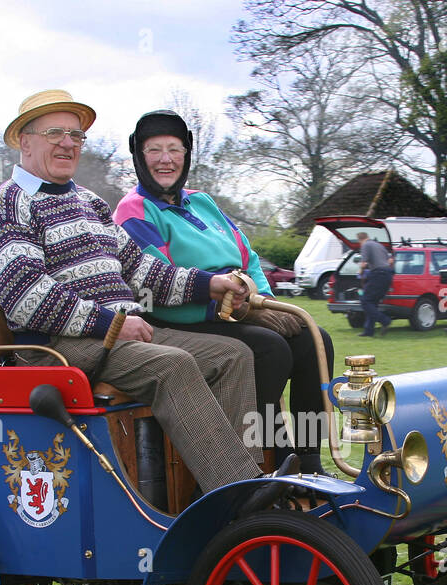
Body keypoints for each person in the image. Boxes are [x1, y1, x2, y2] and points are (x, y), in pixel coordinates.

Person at [0, 89, 265, 492]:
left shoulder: (90, 202)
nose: (68, 143)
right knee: (172, 364)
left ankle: (230, 486)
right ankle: (241, 495)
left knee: (233, 355)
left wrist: (208, 285)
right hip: (58, 346)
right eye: (55, 132)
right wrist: (111, 323)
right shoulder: (9, 204)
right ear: (25, 140)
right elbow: (26, 300)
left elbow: (141, 271)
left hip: (116, 335)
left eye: (76, 136)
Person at [114, 110, 334, 474]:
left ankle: (309, 459)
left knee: (314, 338)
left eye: (174, 149)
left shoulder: (203, 201)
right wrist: (239, 310)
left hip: (245, 307)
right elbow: (156, 283)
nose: (166, 159)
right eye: (154, 150)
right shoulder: (134, 211)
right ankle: (271, 459)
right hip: (186, 318)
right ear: (139, 157)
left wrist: (269, 304)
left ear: (187, 155)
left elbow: (247, 256)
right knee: (269, 350)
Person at [356, 231, 394, 337]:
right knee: (373, 303)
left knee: (365, 301)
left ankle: (385, 320)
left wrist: (360, 272)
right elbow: (390, 261)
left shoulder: (366, 245)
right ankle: (369, 331)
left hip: (378, 274)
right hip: (387, 275)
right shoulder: (379, 245)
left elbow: (364, 263)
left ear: (360, 240)